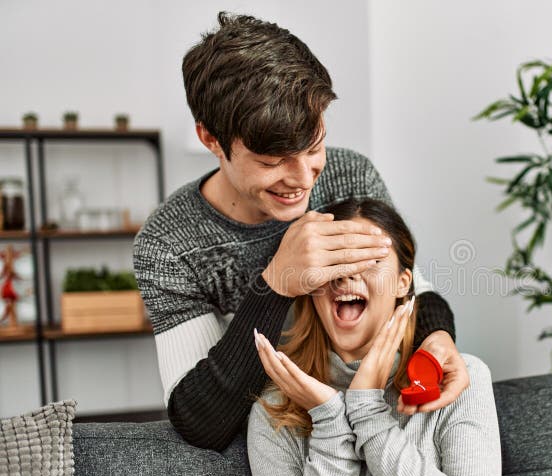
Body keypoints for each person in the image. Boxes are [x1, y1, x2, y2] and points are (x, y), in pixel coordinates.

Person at [132, 12, 468, 452]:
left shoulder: (349, 178)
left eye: (313, 147)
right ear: (211, 139)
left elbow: (409, 294)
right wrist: (277, 283)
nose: (302, 178)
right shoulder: (168, 245)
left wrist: (436, 337)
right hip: (277, 444)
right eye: (271, 162)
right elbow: (200, 421)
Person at [248, 198, 507, 476]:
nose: (347, 274)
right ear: (312, 284)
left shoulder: (458, 381)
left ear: (403, 283)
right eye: (334, 260)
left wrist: (369, 414)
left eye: (369, 260)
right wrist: (331, 423)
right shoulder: (275, 411)